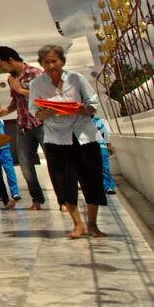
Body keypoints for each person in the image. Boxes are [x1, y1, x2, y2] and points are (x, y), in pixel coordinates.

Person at [28, 45, 107, 239]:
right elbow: (33, 110)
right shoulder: (37, 84)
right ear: (41, 65)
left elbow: (93, 104)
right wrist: (47, 112)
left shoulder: (76, 79)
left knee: (91, 179)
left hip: (84, 136)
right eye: (46, 62)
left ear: (62, 61)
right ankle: (77, 224)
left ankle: (92, 224)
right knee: (65, 182)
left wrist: (81, 109)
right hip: (57, 138)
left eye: (54, 61)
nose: (51, 65)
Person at [0, 46, 46, 209]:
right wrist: (6, 111)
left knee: (55, 163)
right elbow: (16, 101)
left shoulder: (35, 73)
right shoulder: (12, 78)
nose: (3, 69)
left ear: (10, 60)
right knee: (26, 167)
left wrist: (20, 89)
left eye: (2, 65)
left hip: (41, 123)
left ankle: (63, 201)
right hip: (23, 125)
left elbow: (45, 97)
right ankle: (37, 200)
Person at [94, 113, 116, 195]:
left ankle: (109, 187)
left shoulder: (98, 121)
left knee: (105, 168)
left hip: (102, 148)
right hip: (90, 149)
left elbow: (105, 134)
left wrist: (109, 145)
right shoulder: (81, 121)